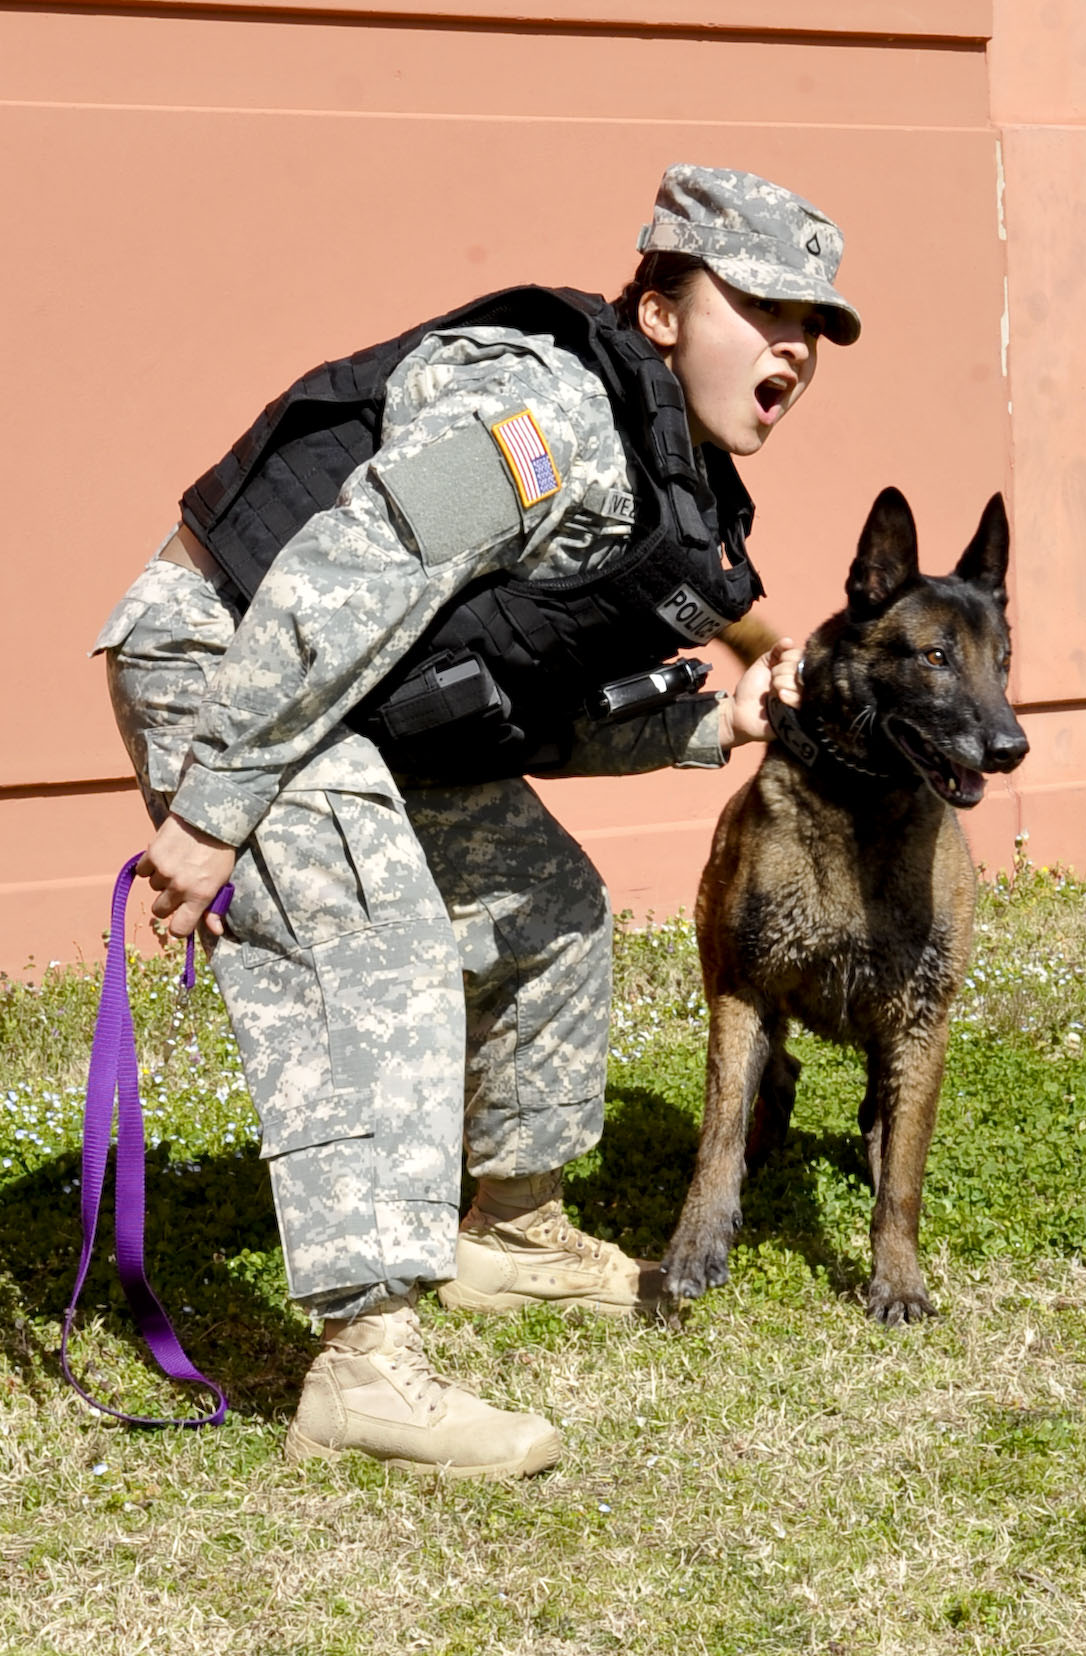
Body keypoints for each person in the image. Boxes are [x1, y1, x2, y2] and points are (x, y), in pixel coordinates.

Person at [93, 163, 861, 1479]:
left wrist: (713, 723)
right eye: (761, 307)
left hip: (353, 695)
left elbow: (505, 697)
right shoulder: (537, 418)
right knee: (371, 928)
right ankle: (364, 1365)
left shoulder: (671, 486)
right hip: (230, 655)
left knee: (545, 903)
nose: (791, 344)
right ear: (662, 312)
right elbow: (345, 577)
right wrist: (216, 809)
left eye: (814, 325)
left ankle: (509, 1231)